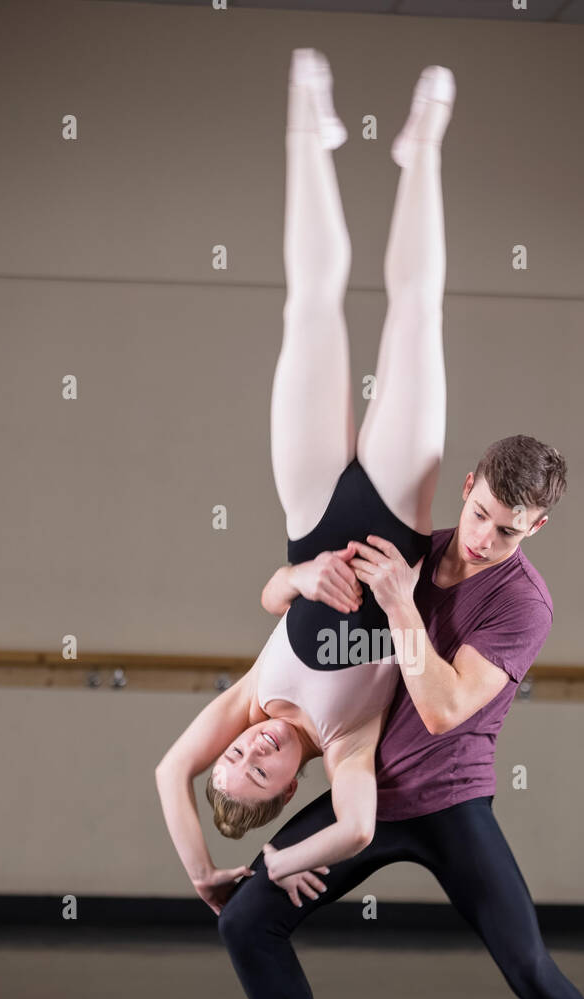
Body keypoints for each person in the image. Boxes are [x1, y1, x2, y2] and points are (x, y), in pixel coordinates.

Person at [220, 438, 584, 999]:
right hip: (368, 797)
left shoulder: (523, 603)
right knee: (245, 921)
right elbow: (279, 600)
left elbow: (443, 709)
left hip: (452, 802)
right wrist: (298, 575)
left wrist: (401, 605)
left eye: (508, 530)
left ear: (538, 527)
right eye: (481, 514)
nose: (485, 538)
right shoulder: (406, 549)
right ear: (467, 486)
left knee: (531, 970)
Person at [155, 50, 461, 909]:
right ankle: (423, 151)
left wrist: (199, 875)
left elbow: (168, 771)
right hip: (397, 510)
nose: (250, 750)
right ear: (290, 786)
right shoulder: (348, 738)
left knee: (309, 304)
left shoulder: (252, 699)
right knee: (418, 313)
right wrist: (267, 870)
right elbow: (357, 829)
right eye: (260, 771)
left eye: (234, 756)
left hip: (313, 503)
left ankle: (307, 127)